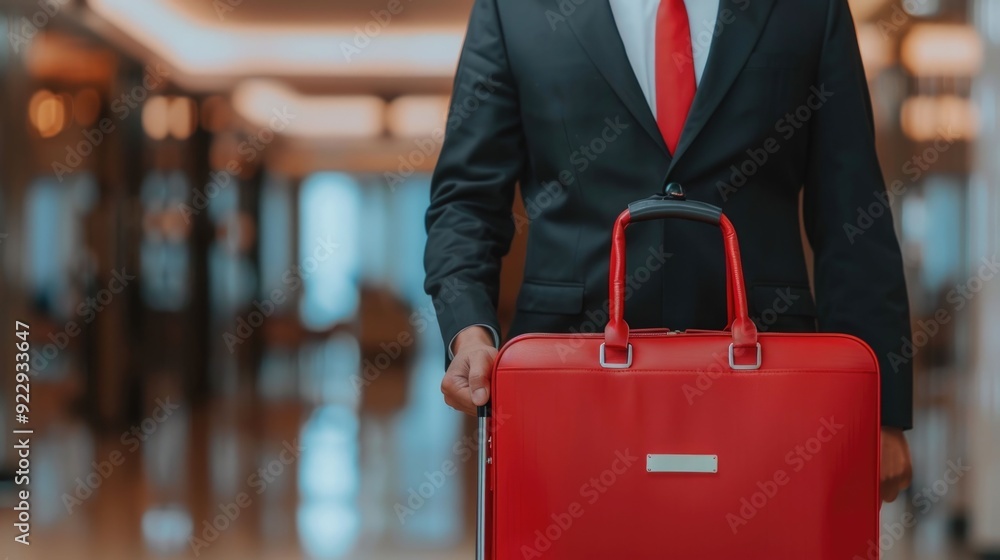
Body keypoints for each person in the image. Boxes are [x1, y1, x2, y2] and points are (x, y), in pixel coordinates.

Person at [424, 0, 913, 502]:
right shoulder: (514, 9)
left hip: (765, 381)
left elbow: (853, 213)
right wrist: (469, 331)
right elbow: (467, 201)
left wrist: (880, 410)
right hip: (568, 376)